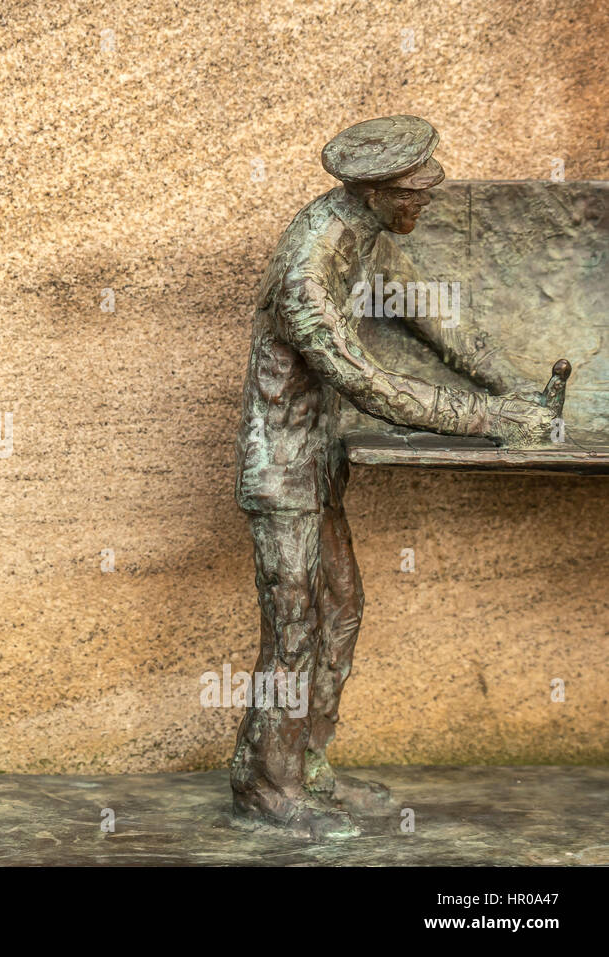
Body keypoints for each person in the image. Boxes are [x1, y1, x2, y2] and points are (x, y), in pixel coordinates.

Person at [231, 115, 558, 839]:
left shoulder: (364, 230)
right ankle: (265, 783)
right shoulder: (307, 271)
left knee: (342, 607)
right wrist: (488, 417)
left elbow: (428, 318)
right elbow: (370, 384)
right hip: (281, 472)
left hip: (318, 462)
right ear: (377, 190)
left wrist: (517, 389)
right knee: (291, 628)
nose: (428, 202)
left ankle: (308, 764)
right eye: (417, 192)